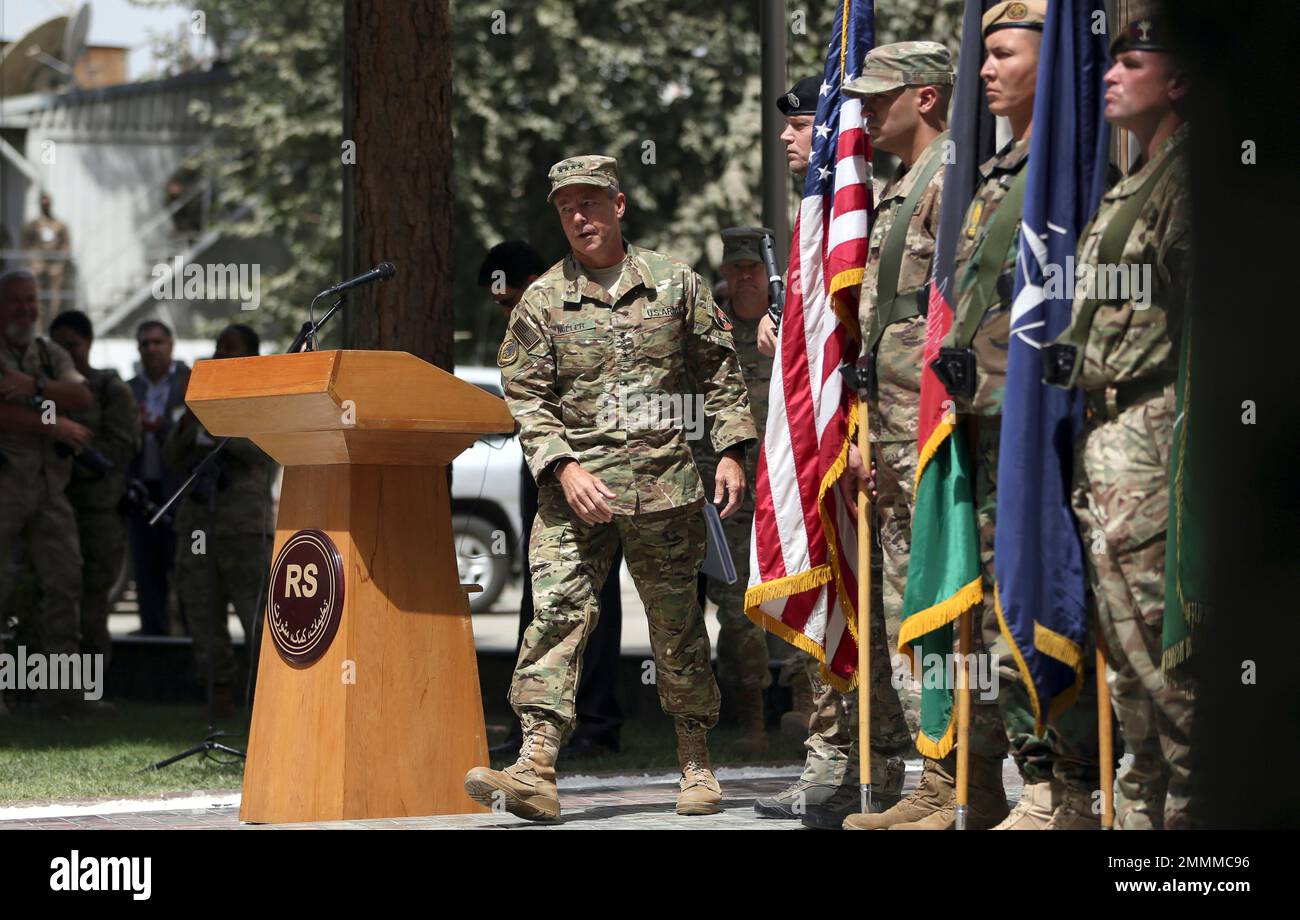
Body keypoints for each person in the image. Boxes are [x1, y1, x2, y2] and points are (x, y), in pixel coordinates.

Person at [464, 155, 756, 820]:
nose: (579, 217)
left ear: (617, 205)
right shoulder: (541, 301)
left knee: (677, 628)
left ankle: (696, 763)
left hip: (665, 489)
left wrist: (732, 450)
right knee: (556, 616)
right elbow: (528, 399)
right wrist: (563, 468)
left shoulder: (675, 283)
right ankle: (536, 765)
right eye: (567, 207)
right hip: (576, 495)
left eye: (590, 203)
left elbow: (718, 369)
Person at [912, 0, 1106, 831]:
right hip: (983, 423)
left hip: (1039, 426)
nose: (986, 70)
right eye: (983, 54)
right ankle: (1008, 778)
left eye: (1004, 53)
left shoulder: (1061, 176)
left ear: (1049, 60)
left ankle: (1067, 787)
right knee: (992, 603)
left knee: (1043, 592)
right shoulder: (993, 175)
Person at [1046, 12, 1198, 829]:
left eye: (1131, 64)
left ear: (1179, 80)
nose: (1109, 75)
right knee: (1129, 670)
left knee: (1175, 669)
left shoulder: (1188, 179)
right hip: (1109, 442)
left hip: (1155, 437)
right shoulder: (1131, 182)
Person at [477, 240, 625, 759]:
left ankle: (597, 723)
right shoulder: (524, 328)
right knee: (540, 595)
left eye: (508, 300)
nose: (506, 312)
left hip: (591, 468)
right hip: (542, 467)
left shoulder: (579, 311)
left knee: (596, 594)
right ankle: (534, 726)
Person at [163, 324, 277, 718]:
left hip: (244, 526)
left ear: (251, 356)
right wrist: (191, 411)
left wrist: (215, 422)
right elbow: (172, 457)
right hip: (198, 523)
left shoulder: (264, 399)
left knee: (258, 614)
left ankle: (267, 698)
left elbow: (265, 451)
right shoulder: (202, 400)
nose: (220, 355)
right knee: (202, 611)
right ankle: (219, 693)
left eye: (230, 348)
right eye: (218, 347)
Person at [755, 76, 822, 739]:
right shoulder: (812, 211)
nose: (785, 136)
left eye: (799, 125)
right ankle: (834, 740)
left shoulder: (850, 205)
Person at [693, 229, 776, 754]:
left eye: (753, 269)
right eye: (736, 269)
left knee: (800, 594)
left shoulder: (790, 328)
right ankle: (753, 720)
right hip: (728, 495)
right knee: (736, 605)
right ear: (725, 274)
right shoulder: (709, 335)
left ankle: (812, 709)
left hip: (784, 487)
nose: (745, 277)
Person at [0, 270, 93, 715]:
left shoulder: (46, 352)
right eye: (15, 301)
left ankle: (63, 692)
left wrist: (35, 386)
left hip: (50, 489)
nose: (25, 309)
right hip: (6, 486)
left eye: (31, 300)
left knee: (65, 581)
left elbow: (81, 394)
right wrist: (51, 424)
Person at [49, 311, 142, 672]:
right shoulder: (48, 389)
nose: (65, 354)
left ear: (88, 344)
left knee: (91, 604)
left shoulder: (108, 389)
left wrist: (71, 452)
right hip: (52, 508)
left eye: (72, 345)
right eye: (58, 347)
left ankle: (91, 683)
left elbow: (121, 447)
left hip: (97, 514)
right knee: (52, 600)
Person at [127, 320, 190, 636]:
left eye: (157, 342)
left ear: (170, 345)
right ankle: (152, 636)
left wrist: (160, 427)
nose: (151, 349)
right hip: (141, 493)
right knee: (146, 570)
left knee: (185, 570)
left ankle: (188, 642)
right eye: (145, 343)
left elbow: (195, 436)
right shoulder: (128, 389)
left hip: (180, 492)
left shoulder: (189, 383)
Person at [21, 194, 71, 312]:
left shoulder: (59, 224)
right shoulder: (32, 225)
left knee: (55, 295)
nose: (45, 207)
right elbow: (25, 244)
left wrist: (61, 260)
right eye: (43, 204)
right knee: (37, 293)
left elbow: (66, 243)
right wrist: (32, 261)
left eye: (47, 204)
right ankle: (38, 320)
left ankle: (55, 319)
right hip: (38, 264)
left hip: (55, 264)